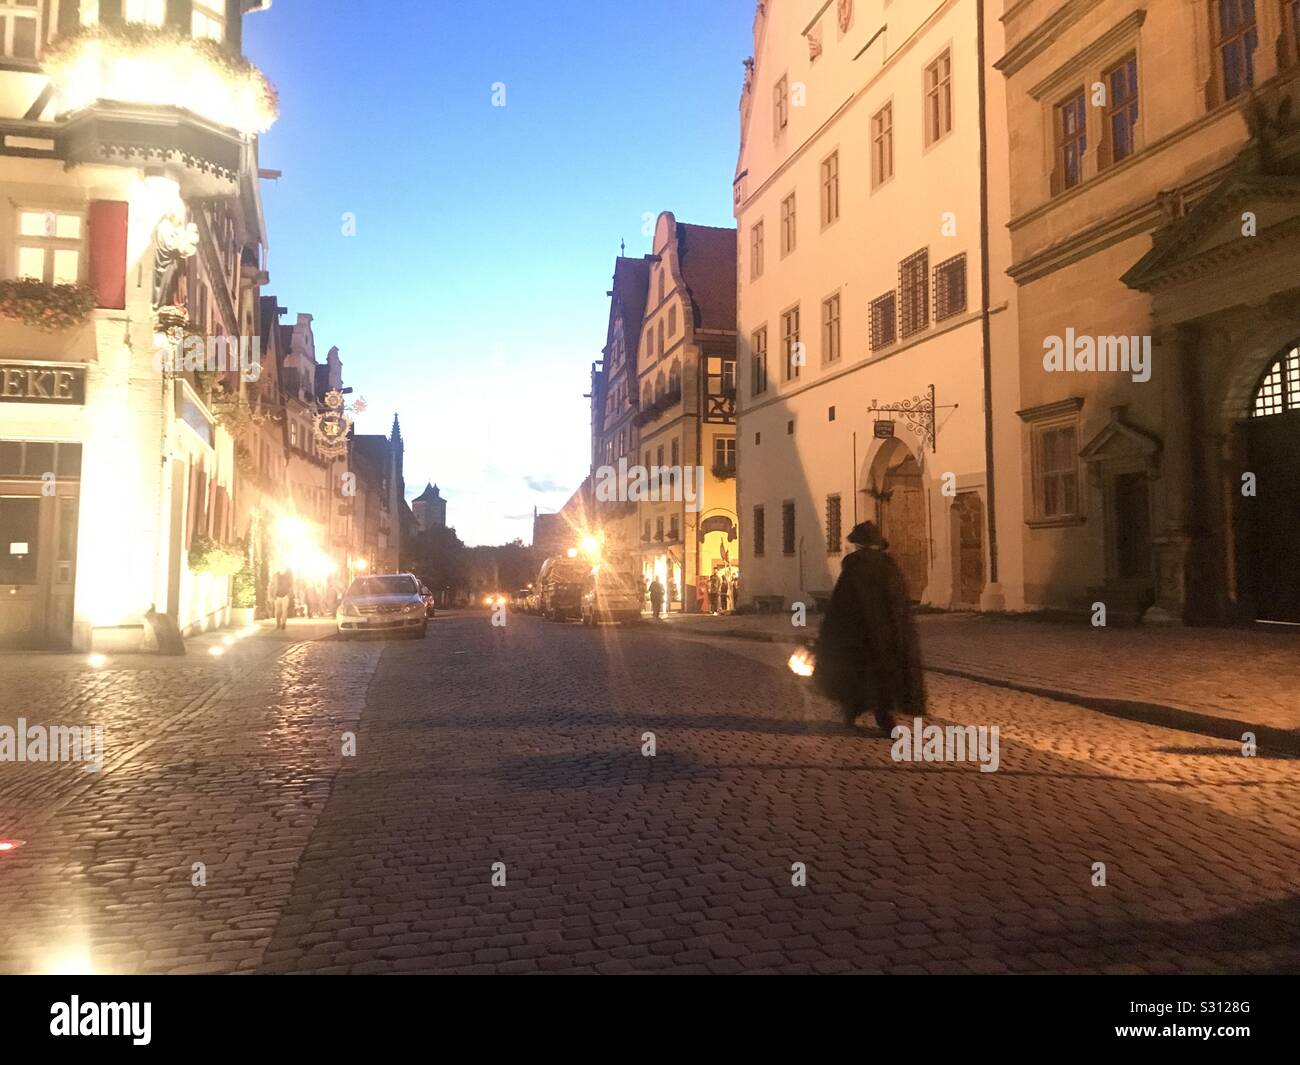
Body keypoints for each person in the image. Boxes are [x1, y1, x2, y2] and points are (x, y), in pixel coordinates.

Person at [813, 521, 925, 735]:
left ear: (858, 543)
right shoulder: (888, 564)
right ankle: (877, 716)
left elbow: (841, 601)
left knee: (859, 673)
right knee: (881, 676)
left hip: (858, 633)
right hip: (884, 634)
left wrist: (831, 631)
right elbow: (898, 601)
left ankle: (856, 711)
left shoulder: (854, 564)